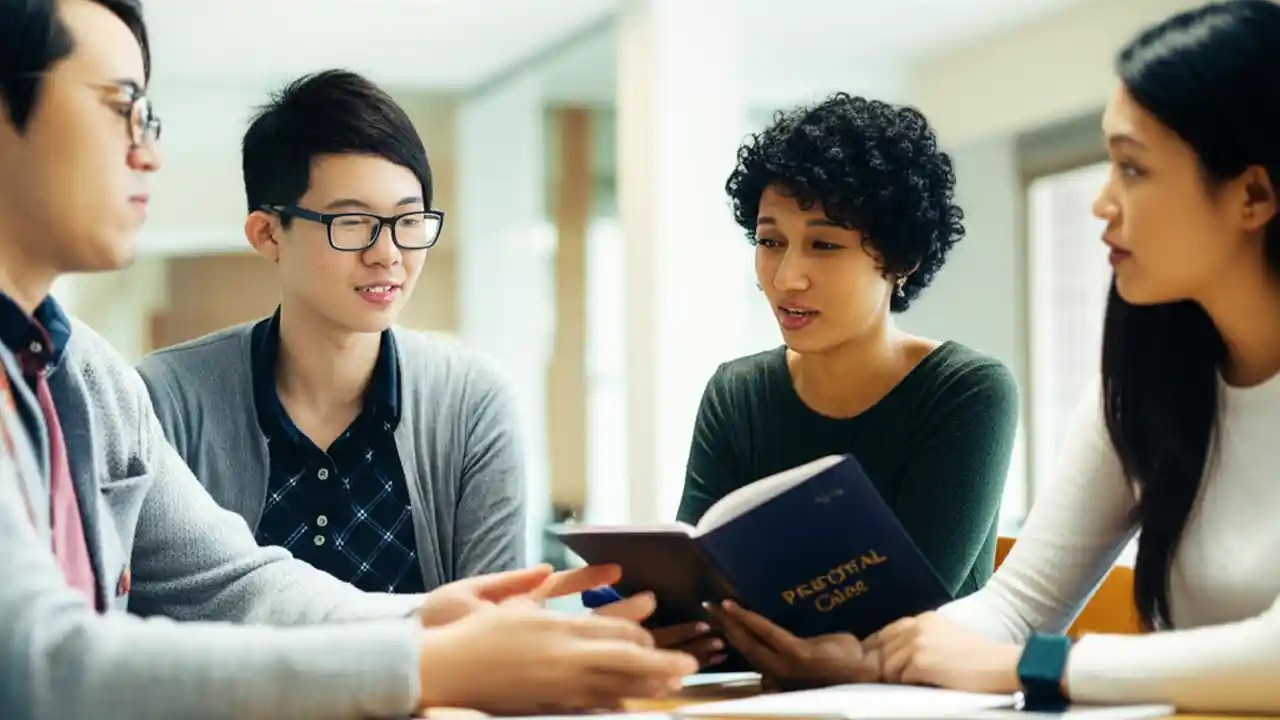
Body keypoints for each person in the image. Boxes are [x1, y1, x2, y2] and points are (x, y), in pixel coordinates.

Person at [0, 1, 695, 718]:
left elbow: (235, 584)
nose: (149, 154)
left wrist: (424, 619)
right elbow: (39, 664)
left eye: (149, 120)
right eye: (121, 108)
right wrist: (421, 659)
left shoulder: (91, 377)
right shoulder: (162, 388)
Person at [856, 1, 1280, 714]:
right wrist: (887, 653)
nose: (1102, 203)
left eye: (1133, 169)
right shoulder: (1146, 380)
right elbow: (1018, 607)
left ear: (1255, 193)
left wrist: (1038, 666)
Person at [671, 93, 1019, 685]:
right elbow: (698, 595)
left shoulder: (967, 391)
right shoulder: (735, 393)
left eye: (824, 244)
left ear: (900, 258)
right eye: (770, 240)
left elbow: (908, 616)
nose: (786, 278)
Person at [137, 69, 521, 594]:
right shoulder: (168, 400)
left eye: (408, 221)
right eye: (353, 223)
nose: (387, 254)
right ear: (268, 233)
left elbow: (497, 632)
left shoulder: (471, 404)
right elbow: (161, 614)